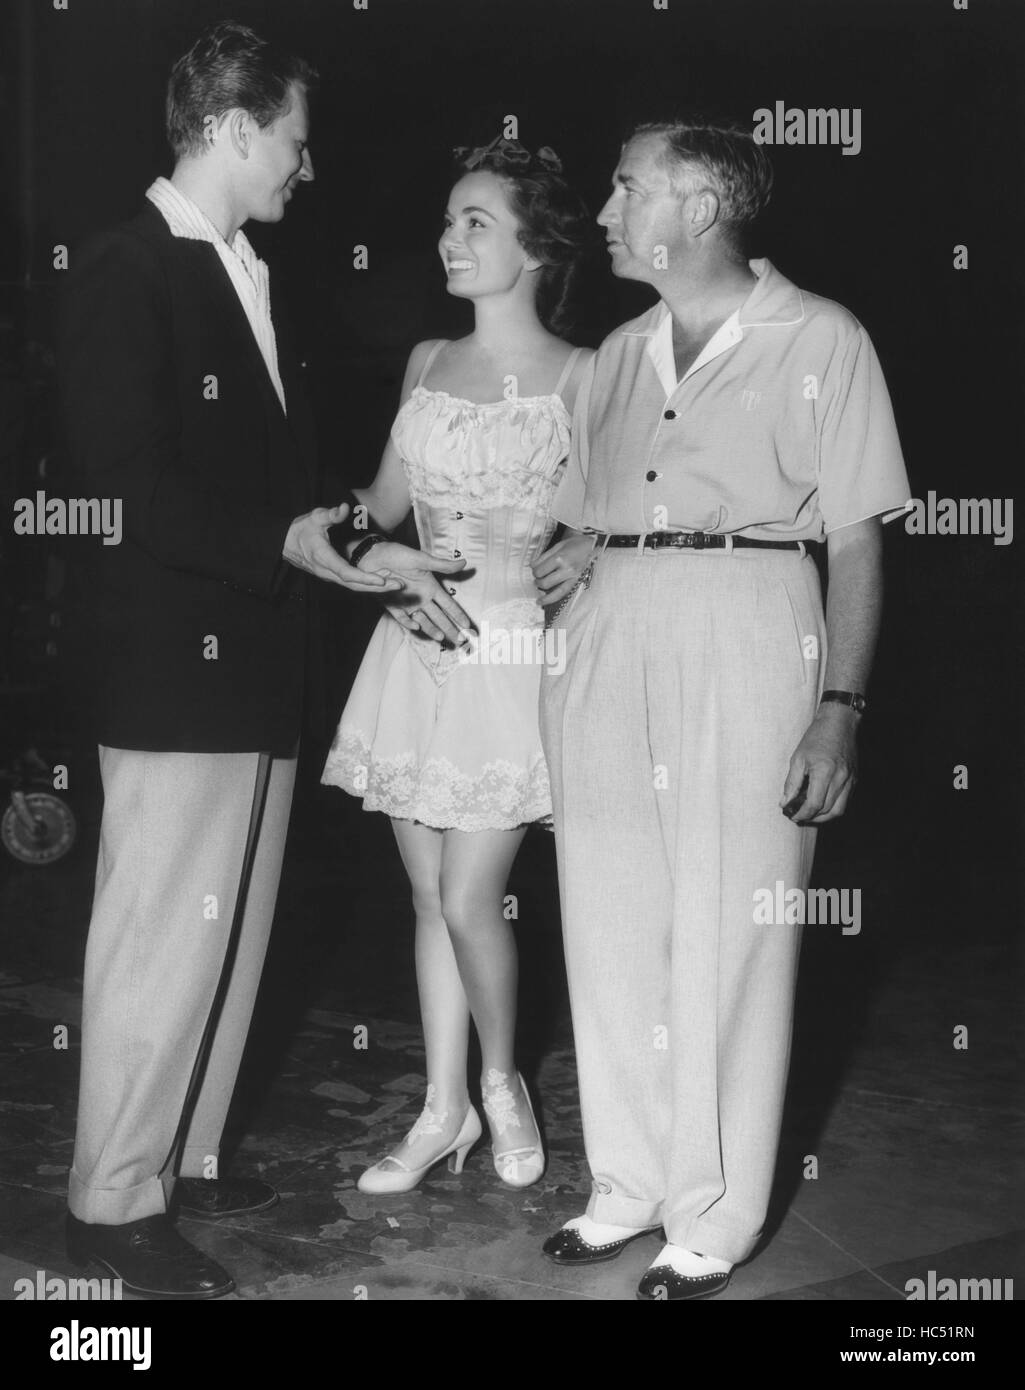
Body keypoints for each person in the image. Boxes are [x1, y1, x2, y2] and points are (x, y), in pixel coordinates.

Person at [57, 21, 459, 1300]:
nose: (307, 164)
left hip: (254, 666)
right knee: (162, 935)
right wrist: (287, 539)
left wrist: (357, 545)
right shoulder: (124, 268)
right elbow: (124, 490)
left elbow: (267, 487)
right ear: (233, 131)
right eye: (293, 138)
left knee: (228, 930)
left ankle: (188, 1150)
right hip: (177, 667)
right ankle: (111, 1200)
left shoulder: (249, 268)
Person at [535, 118, 911, 1300]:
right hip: (608, 635)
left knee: (733, 925)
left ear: (697, 205)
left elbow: (853, 542)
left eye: (623, 186)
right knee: (605, 916)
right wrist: (568, 548)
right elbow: (575, 515)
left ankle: (716, 1206)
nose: (603, 210)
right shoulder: (609, 356)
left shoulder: (823, 337)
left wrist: (837, 707)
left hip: (752, 619)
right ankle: (627, 1183)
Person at [322, 135, 595, 1193]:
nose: (448, 238)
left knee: (475, 897)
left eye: (474, 221)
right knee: (429, 898)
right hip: (410, 651)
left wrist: (579, 549)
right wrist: (345, 536)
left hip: (510, 658)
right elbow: (379, 508)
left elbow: (605, 526)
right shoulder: (426, 363)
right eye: (446, 220)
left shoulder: (583, 373)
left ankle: (498, 1082)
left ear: (536, 248)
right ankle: (438, 1111)